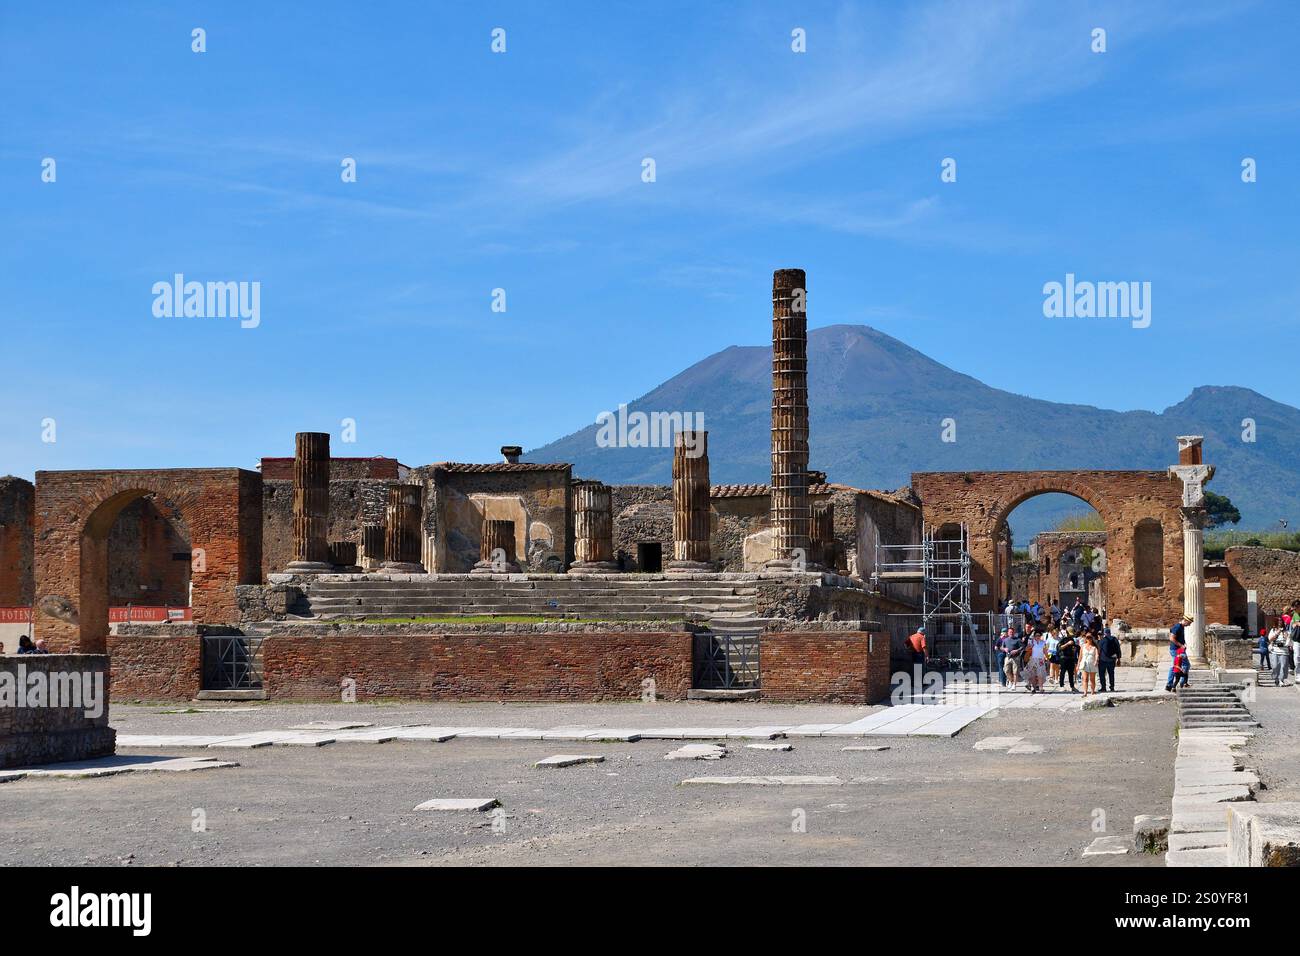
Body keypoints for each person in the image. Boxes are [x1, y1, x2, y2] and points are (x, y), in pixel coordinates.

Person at [1098, 626, 1121, 693]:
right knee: (1111, 673)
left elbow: (1099, 650)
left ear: (1104, 633)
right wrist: (1119, 659)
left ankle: (1103, 687)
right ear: (1110, 633)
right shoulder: (1115, 639)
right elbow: (1118, 649)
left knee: (1102, 674)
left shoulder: (1102, 640)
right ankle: (1112, 687)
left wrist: (1097, 658)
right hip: (1112, 660)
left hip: (1103, 660)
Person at [1057, 628, 1079, 692]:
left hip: (1071, 658)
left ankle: (1072, 686)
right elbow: (1060, 647)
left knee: (1071, 673)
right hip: (1064, 658)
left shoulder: (1073, 640)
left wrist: (1075, 648)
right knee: (1062, 672)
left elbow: (1074, 649)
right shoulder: (1063, 639)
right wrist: (1067, 644)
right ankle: (1061, 686)